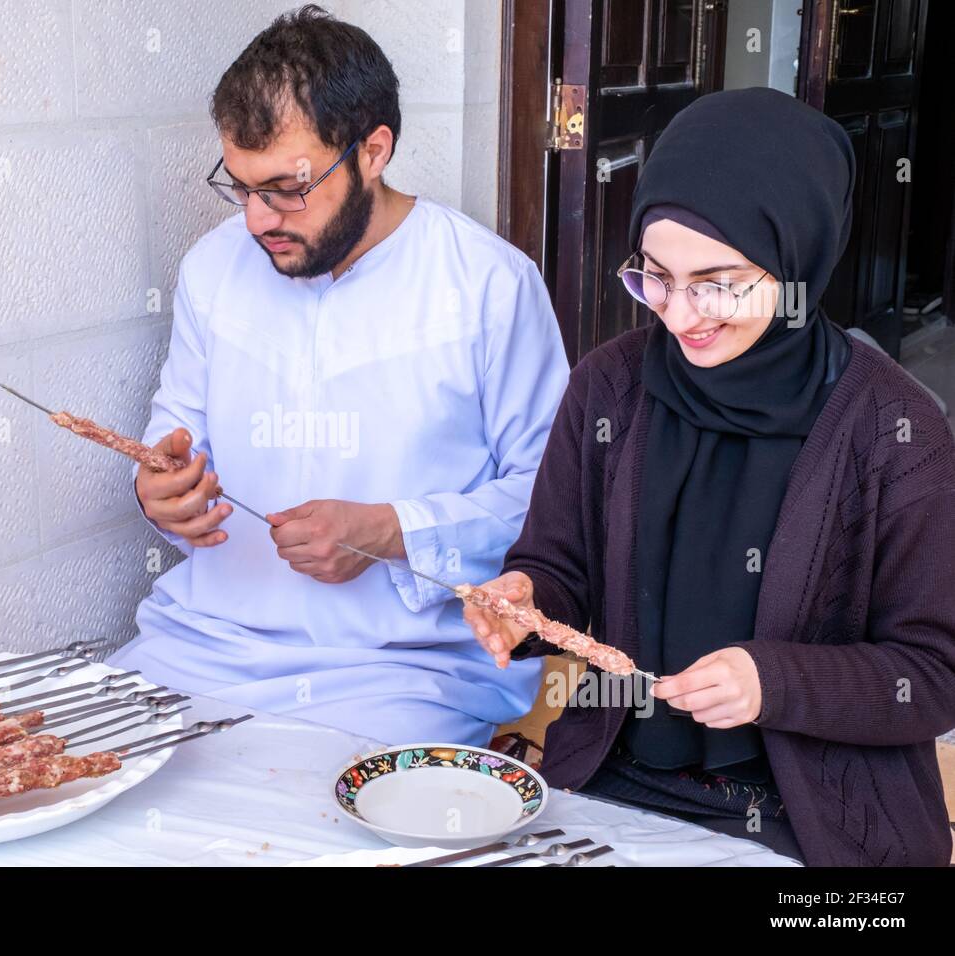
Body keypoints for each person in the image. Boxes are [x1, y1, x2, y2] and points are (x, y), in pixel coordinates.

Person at [465, 87, 955, 866]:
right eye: (654, 276)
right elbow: (558, 564)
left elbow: (933, 676)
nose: (682, 313)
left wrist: (774, 683)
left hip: (818, 825)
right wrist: (527, 599)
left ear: (798, 258)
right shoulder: (608, 387)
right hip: (614, 783)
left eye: (719, 283)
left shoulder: (896, 433)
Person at [108, 6, 569, 745]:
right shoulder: (212, 269)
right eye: (243, 186)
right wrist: (156, 490)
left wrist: (390, 531)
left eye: (288, 189)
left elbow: (550, 504)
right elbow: (173, 441)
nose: (259, 220)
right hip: (203, 644)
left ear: (374, 150)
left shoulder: (489, 285)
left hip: (403, 669)